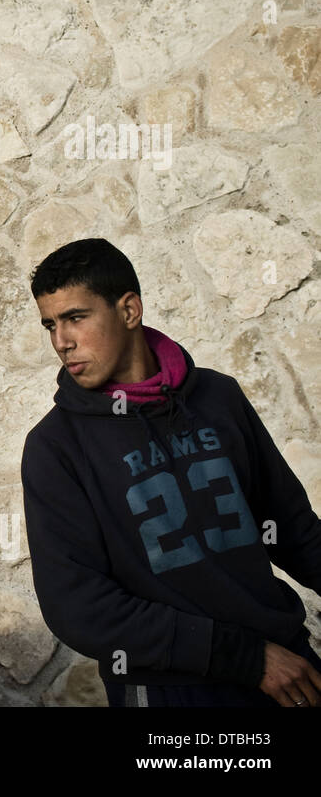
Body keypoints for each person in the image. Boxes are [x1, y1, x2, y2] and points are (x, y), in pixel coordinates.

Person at [22, 237, 321, 707]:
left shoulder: (219, 398)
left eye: (76, 318)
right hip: (171, 691)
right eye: (50, 325)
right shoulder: (54, 447)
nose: (61, 341)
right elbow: (78, 608)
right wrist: (245, 658)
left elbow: (292, 529)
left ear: (128, 311)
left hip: (290, 669)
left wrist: (267, 655)